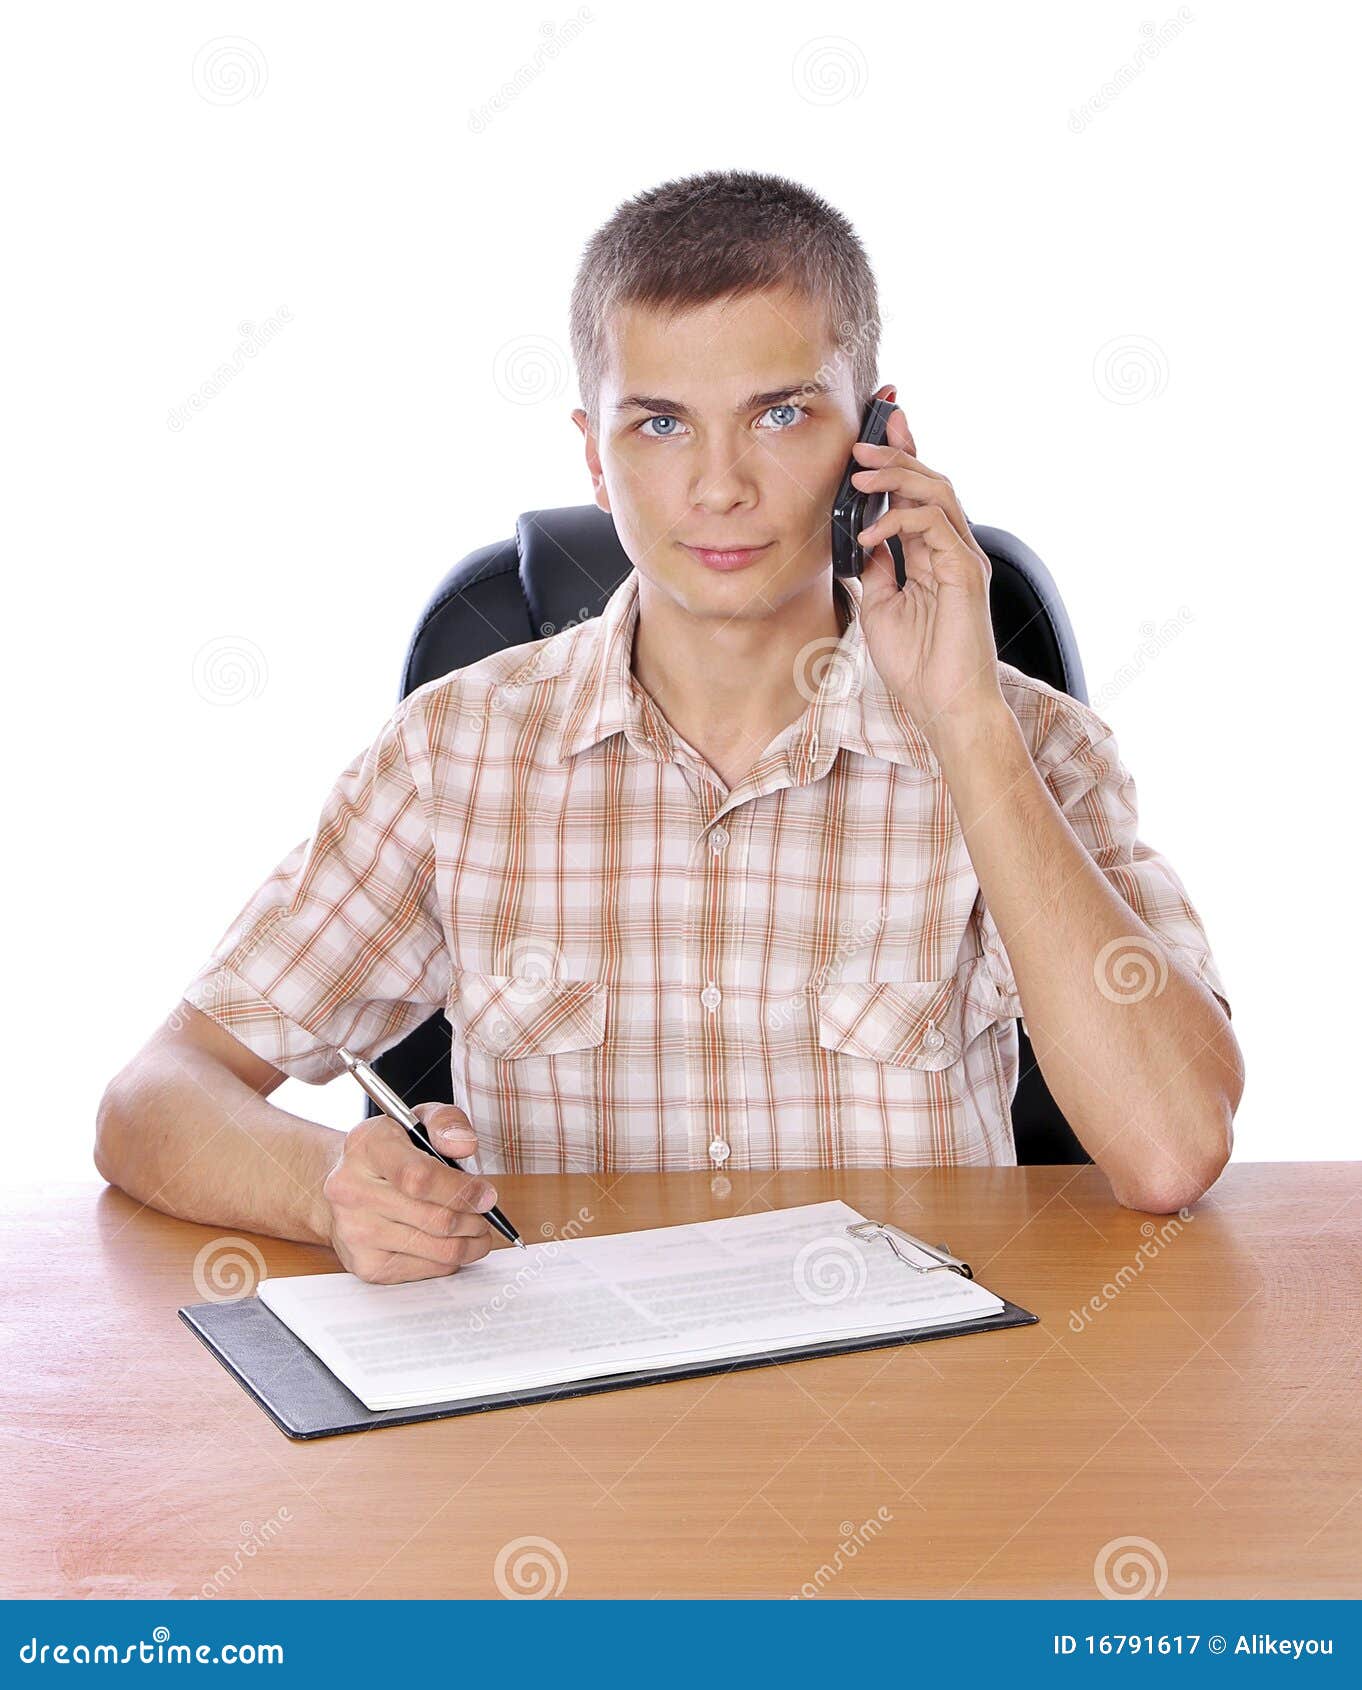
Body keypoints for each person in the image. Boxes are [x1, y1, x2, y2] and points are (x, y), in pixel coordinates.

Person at [96, 169, 1243, 1284]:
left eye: (781, 413)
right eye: (659, 425)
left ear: (876, 440)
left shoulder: (1028, 742)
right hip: (573, 1433)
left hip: (912, 1424)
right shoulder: (455, 754)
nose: (720, 486)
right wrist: (326, 1190)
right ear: (594, 453)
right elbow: (155, 1096)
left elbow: (1169, 1148)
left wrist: (966, 722)